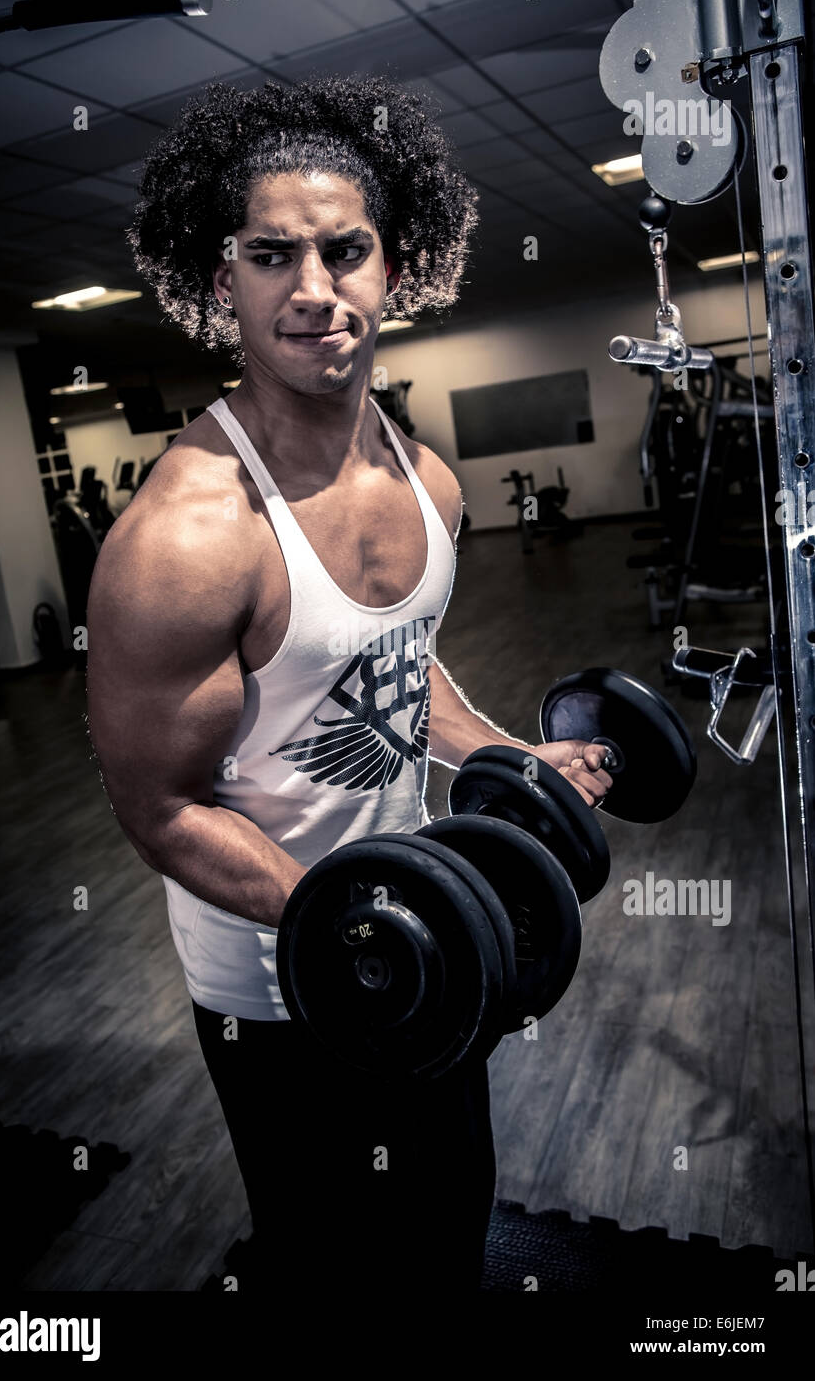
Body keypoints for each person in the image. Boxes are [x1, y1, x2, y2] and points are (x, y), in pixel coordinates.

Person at [85, 74, 611, 1298]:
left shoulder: (426, 481)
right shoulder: (184, 538)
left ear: (399, 267)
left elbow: (392, 670)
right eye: (271, 255)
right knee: (333, 1267)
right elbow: (159, 809)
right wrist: (351, 918)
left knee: (448, 1220)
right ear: (222, 283)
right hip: (278, 989)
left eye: (345, 251)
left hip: (415, 938)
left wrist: (506, 758)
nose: (312, 292)